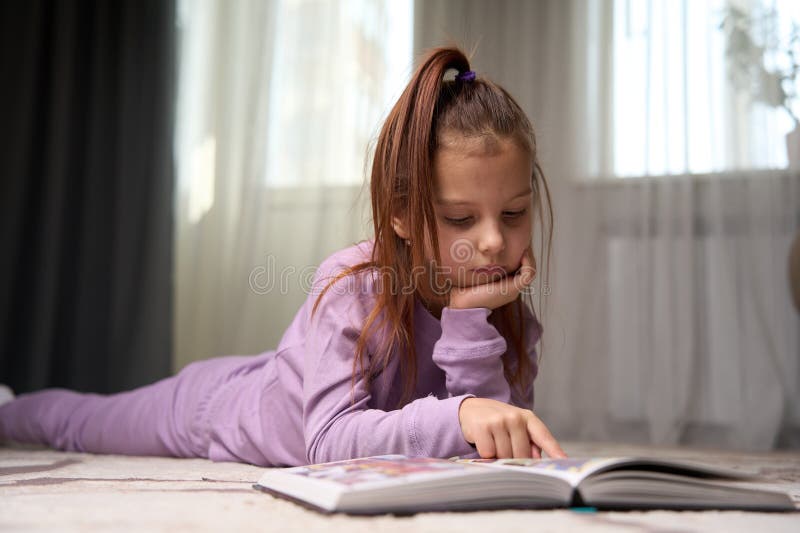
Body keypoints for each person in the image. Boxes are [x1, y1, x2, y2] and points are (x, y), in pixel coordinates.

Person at [0, 47, 566, 466]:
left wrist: (469, 323)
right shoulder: (352, 286)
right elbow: (327, 442)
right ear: (400, 214)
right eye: (461, 219)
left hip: (285, 375)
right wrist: (459, 414)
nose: (493, 240)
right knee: (80, 423)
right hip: (219, 410)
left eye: (514, 214)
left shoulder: (508, 315)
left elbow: (500, 449)